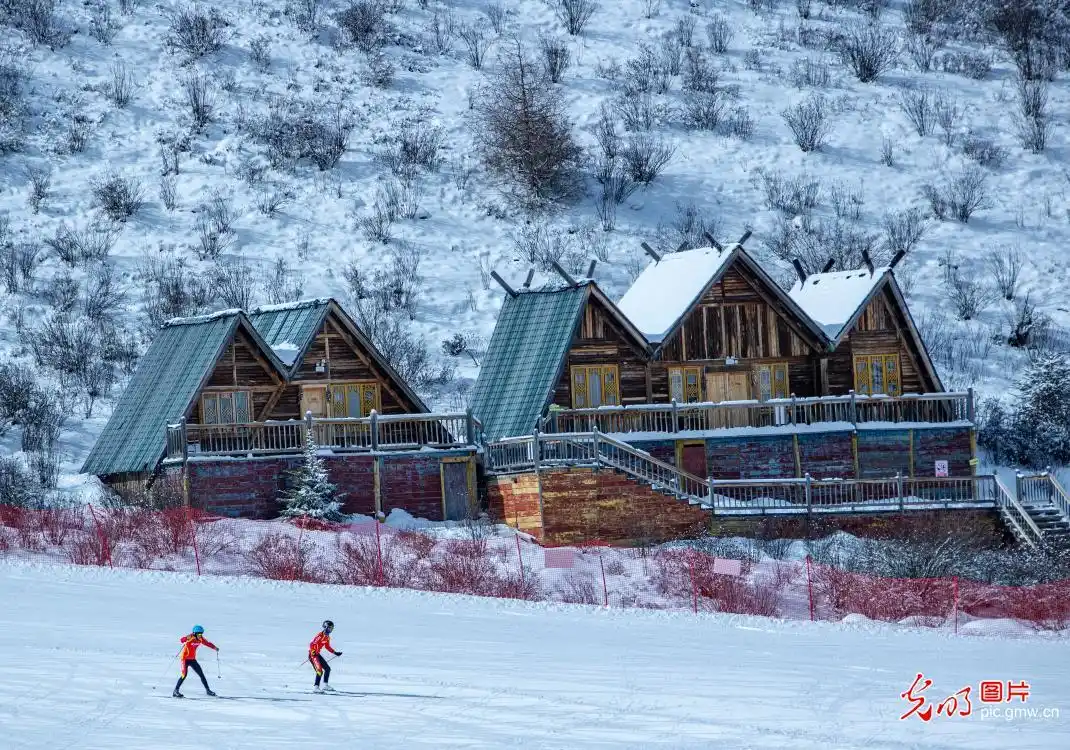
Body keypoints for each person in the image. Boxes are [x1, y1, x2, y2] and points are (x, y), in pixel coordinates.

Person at [173, 625, 219, 698]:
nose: (200, 635)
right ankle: (176, 691)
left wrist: (214, 647)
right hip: (185, 659)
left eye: (201, 634)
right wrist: (186, 638)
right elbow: (182, 640)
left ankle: (208, 690)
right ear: (195, 633)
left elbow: (207, 643)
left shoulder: (200, 639)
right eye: (199, 634)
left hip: (192, 659)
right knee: (184, 675)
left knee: (201, 674)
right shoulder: (190, 637)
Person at [308, 620, 342, 692]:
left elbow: (327, 646)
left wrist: (335, 653)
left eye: (332, 628)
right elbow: (312, 644)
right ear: (325, 627)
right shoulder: (320, 635)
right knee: (319, 670)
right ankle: (316, 687)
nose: (330, 630)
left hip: (317, 654)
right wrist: (313, 651)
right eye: (329, 628)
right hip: (313, 655)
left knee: (327, 669)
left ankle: (325, 685)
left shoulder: (327, 637)